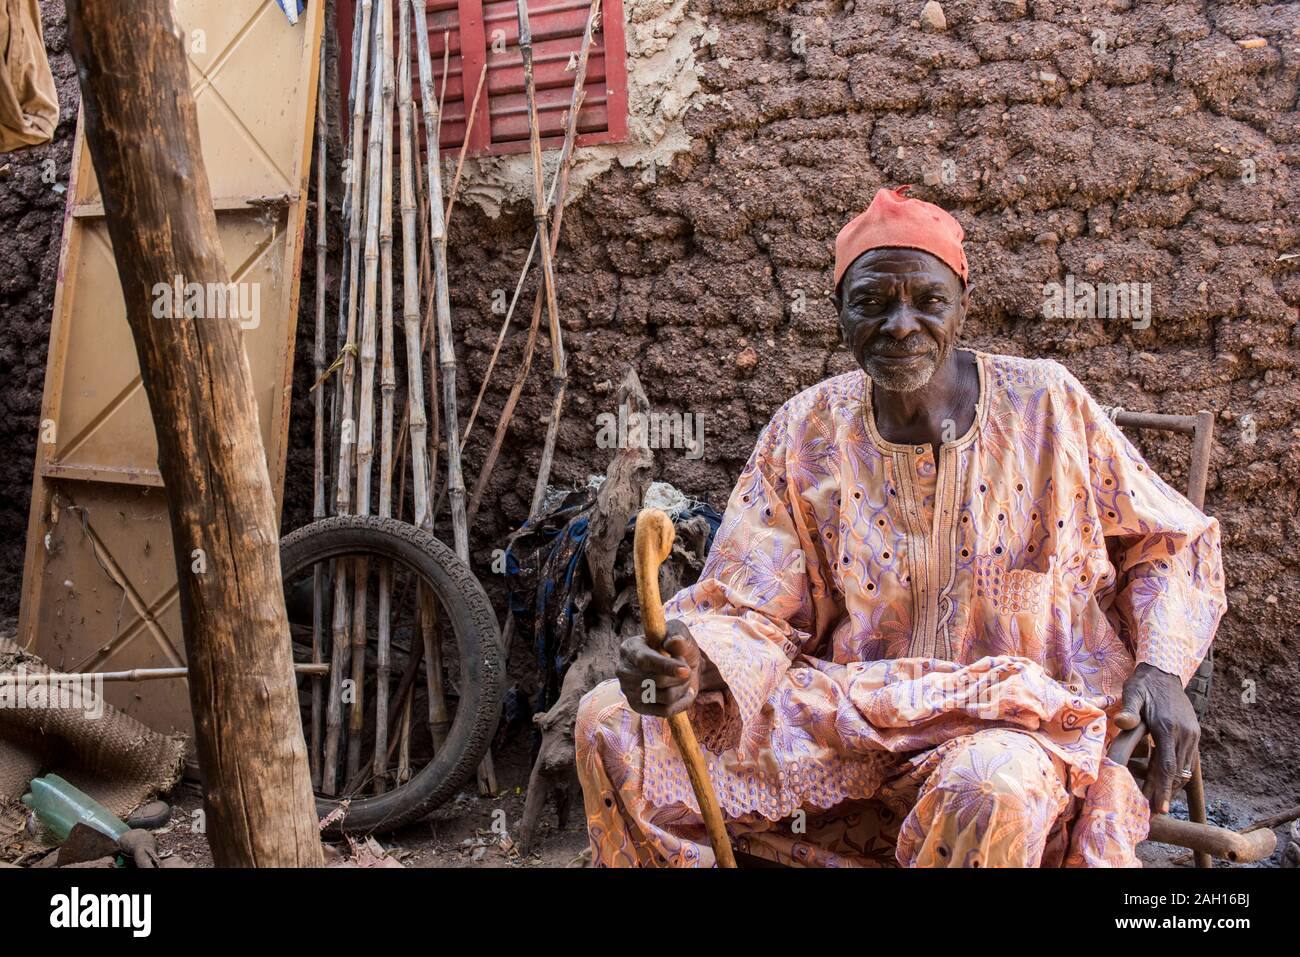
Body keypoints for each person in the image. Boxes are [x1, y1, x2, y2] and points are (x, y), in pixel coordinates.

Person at [574, 186, 1226, 867]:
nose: (901, 325)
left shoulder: (1047, 404)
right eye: (874, 302)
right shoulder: (806, 429)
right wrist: (696, 657)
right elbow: (750, 602)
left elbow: (1171, 543)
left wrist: (1160, 669)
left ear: (963, 305)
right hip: (847, 717)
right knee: (610, 724)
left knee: (987, 784)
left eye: (929, 300)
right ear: (840, 313)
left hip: (1020, 723)